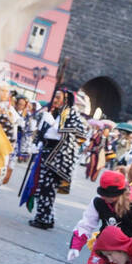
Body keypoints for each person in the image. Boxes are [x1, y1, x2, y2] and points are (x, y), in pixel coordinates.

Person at [26, 87, 86, 230]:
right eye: (55, 97)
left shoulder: (69, 113)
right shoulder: (61, 113)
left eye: (59, 98)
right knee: (46, 188)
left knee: (47, 188)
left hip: (57, 158)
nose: (55, 101)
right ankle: (47, 217)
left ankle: (43, 219)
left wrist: (54, 127)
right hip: (50, 154)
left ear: (66, 100)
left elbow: (78, 132)